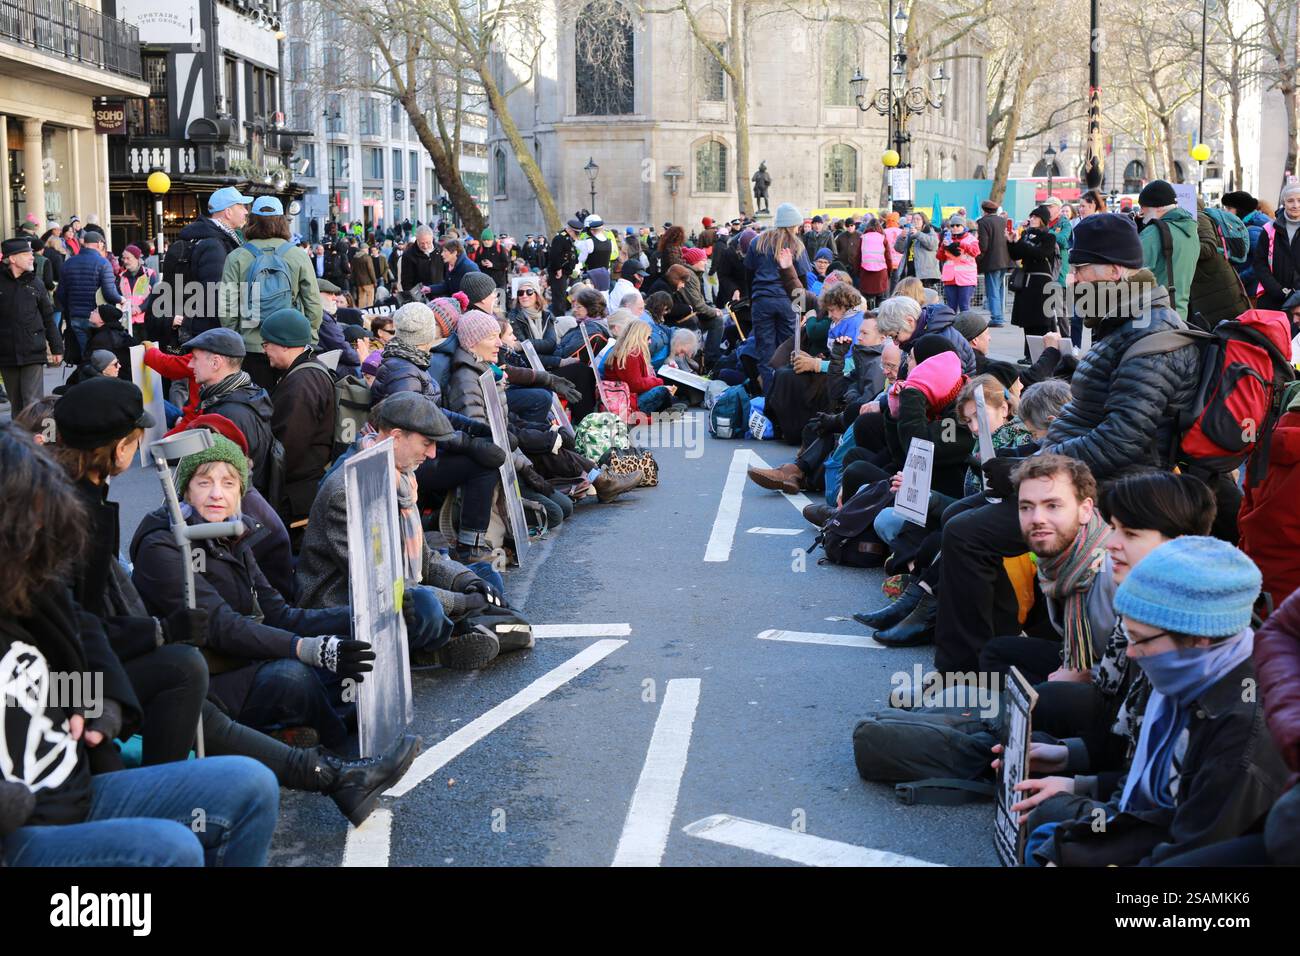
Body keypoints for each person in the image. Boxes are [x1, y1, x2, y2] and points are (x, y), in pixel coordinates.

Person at [934, 214, 1201, 677]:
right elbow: (1087, 415)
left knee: (967, 534)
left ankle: (965, 673)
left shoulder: (1152, 335)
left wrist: (1035, 468)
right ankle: (993, 649)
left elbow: (1125, 439)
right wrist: (1031, 461)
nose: (1071, 280)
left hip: (1114, 490)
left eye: (1080, 271)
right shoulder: (1123, 322)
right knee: (957, 517)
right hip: (1073, 475)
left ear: (1114, 272)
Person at [0, 427, 281, 867]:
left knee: (252, 783)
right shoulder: (158, 541)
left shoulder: (30, 589)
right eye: (30, 523)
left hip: (73, 790)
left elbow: (71, 657)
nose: (43, 535)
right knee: (173, 847)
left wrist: (103, 705)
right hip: (20, 832)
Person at [1022, 536, 1288, 867]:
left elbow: (1193, 853)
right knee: (1049, 836)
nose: (1131, 652)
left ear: (1199, 636)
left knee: (1050, 835)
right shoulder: (1194, 667)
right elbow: (1148, 795)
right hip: (1159, 830)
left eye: (1140, 639)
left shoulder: (1241, 737)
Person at [130, 435, 376, 748]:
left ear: (241, 492)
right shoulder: (161, 544)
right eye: (204, 482)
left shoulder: (231, 534)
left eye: (229, 483)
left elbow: (278, 614)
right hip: (201, 682)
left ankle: (291, 733)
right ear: (186, 492)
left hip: (243, 662)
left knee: (355, 660)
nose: (217, 494)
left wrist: (359, 615)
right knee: (294, 677)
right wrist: (306, 648)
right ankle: (340, 757)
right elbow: (221, 625)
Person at [296, 394, 509, 668]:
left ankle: (461, 631)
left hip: (394, 586)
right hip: (339, 605)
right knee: (425, 604)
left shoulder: (402, 476)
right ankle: (438, 646)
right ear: (396, 437)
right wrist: (462, 602)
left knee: (485, 575)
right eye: (427, 443)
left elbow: (425, 559)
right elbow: (380, 583)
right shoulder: (348, 490)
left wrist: (466, 582)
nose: (432, 453)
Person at [218, 196, 322, 391]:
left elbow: (227, 306)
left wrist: (235, 339)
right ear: (282, 221)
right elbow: (313, 303)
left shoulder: (237, 257)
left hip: (251, 346)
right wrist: (309, 338)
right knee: (290, 403)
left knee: (256, 404)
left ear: (252, 221)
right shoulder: (297, 255)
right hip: (291, 346)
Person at [261, 308, 337, 535]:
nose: (264, 350)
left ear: (284, 344)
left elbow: (288, 446)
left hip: (297, 495)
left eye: (267, 344)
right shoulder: (309, 370)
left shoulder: (301, 384)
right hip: (306, 486)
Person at [152, 186, 251, 347]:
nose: (246, 212)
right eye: (241, 206)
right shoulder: (215, 245)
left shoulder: (208, 239)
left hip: (197, 328)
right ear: (228, 212)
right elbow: (216, 293)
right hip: (209, 332)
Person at [186, 327, 276, 497]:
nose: (190, 364)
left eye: (195, 359)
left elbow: (221, 482)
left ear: (216, 362)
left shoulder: (228, 414)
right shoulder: (246, 394)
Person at [745, 203, 810, 391]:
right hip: (787, 302)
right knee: (788, 350)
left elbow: (749, 273)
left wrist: (752, 299)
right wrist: (803, 308)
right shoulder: (797, 245)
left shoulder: (757, 242)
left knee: (765, 352)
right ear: (792, 225)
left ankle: (769, 399)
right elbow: (801, 280)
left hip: (762, 300)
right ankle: (785, 397)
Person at [0, 236, 62, 412]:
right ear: (12, 258)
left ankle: (35, 438)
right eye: (27, 253)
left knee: (32, 403)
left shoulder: (36, 283)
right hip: (7, 352)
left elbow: (48, 317)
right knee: (17, 405)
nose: (32, 257)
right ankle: (19, 439)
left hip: (33, 351)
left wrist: (57, 347)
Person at [1136, 180, 1199, 325]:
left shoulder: (1154, 232)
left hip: (1154, 317)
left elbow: (1132, 271)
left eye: (1143, 207)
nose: (1141, 212)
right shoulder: (1191, 230)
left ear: (1157, 207)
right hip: (1180, 314)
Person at [56, 229, 121, 362]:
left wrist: (70, 309)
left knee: (85, 354)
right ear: (99, 244)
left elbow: (61, 293)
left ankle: (85, 378)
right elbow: (109, 293)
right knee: (100, 357)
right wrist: (121, 299)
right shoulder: (103, 264)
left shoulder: (68, 263)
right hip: (97, 318)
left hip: (76, 317)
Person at [1007, 206, 1063, 358]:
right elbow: (1016, 254)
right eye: (1031, 216)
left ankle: (1041, 354)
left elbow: (1040, 253)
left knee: (1041, 322)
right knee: (1027, 321)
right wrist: (1012, 242)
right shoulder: (1025, 235)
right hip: (1027, 281)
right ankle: (1029, 354)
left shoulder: (1049, 237)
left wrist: (1022, 243)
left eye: (1035, 217)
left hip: (1041, 283)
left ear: (1042, 220)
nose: (1031, 219)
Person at [604, 320, 681, 414]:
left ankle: (666, 409)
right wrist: (659, 382)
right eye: (648, 337)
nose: (650, 341)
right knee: (663, 391)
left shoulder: (627, 352)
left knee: (668, 392)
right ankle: (662, 413)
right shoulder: (631, 355)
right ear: (640, 337)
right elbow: (635, 385)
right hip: (627, 402)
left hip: (626, 398)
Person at [1250, 181, 1300, 310]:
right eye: (1290, 201)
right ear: (1284, 202)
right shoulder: (1269, 229)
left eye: (1299, 200)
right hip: (1272, 299)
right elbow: (1260, 263)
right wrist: (1278, 291)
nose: (1295, 205)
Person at [976, 200, 1012, 327]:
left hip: (991, 261)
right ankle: (1000, 315)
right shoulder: (1002, 221)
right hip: (1005, 260)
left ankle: (997, 317)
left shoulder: (982, 222)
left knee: (993, 290)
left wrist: (978, 258)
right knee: (1000, 289)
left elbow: (983, 245)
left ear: (984, 210)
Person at [937, 216, 981, 312]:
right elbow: (940, 257)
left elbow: (976, 252)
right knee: (951, 308)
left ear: (963, 226)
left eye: (958, 225)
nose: (955, 228)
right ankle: (951, 327)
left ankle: (964, 327)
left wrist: (960, 244)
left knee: (964, 306)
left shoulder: (971, 238)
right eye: (952, 226)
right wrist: (943, 247)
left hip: (966, 279)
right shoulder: (947, 239)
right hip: (950, 278)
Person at [116, 244, 156, 343]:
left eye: (128, 258)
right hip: (127, 322)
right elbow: (118, 296)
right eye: (123, 258)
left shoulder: (149, 274)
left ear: (137, 258)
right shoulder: (121, 277)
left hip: (146, 321)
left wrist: (139, 308)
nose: (125, 261)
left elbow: (153, 296)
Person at [894, 211, 941, 289]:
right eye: (913, 219)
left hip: (924, 274)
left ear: (924, 222)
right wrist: (901, 238)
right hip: (909, 272)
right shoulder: (909, 234)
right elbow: (899, 249)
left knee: (923, 298)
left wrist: (918, 234)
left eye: (918, 219)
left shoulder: (929, 231)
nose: (915, 221)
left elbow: (933, 245)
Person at [398, 225, 446, 297]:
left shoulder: (441, 250)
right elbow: (406, 282)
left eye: (428, 242)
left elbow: (447, 274)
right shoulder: (409, 255)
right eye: (422, 243)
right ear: (416, 239)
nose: (425, 246)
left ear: (432, 238)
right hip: (420, 298)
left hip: (440, 296)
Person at [350, 242, 377, 308]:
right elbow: (371, 270)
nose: (368, 250)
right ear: (364, 249)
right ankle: (370, 312)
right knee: (370, 299)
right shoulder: (367, 257)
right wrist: (374, 281)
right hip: (368, 282)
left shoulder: (355, 258)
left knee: (361, 299)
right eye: (367, 249)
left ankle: (361, 312)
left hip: (359, 282)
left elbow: (352, 270)